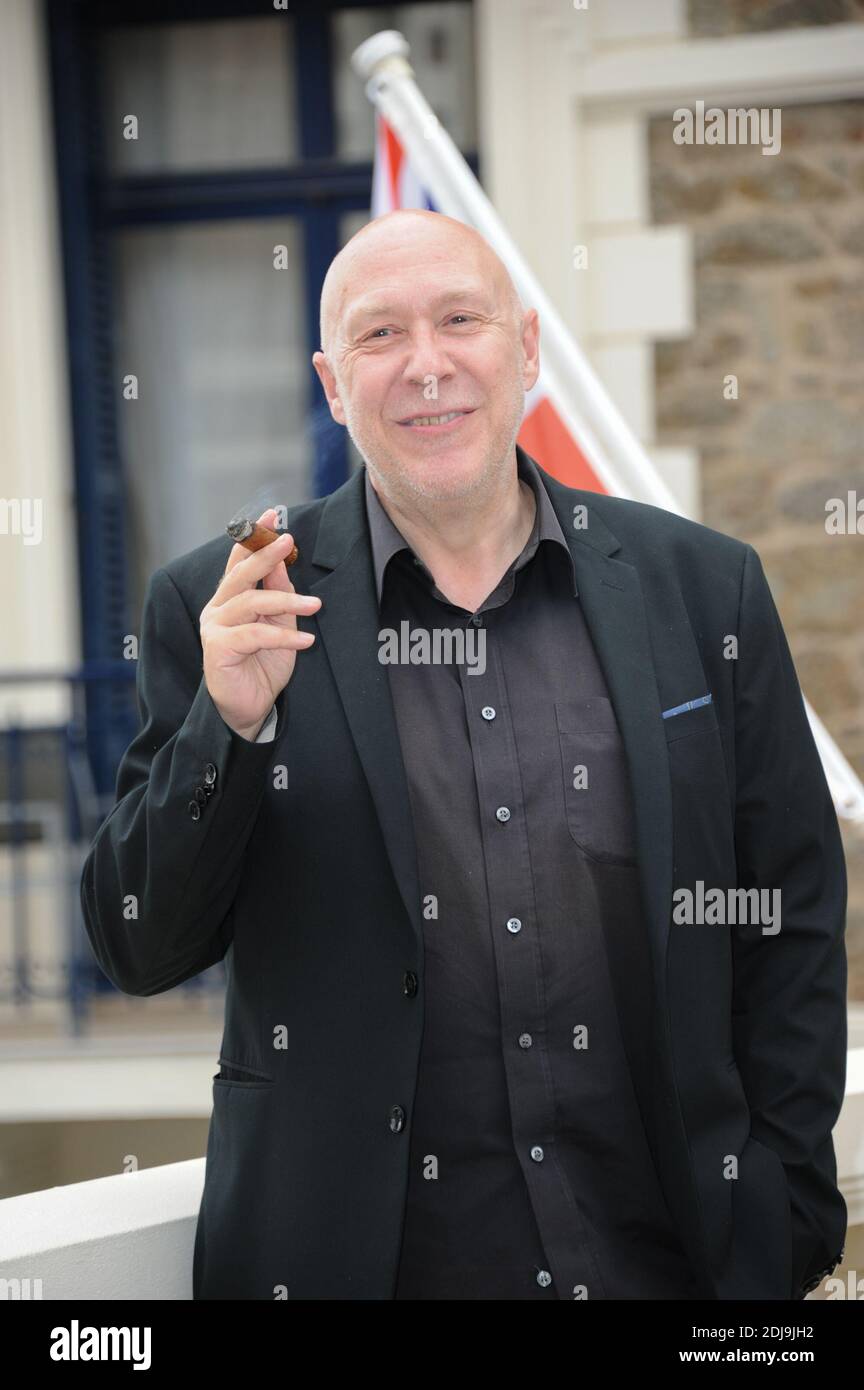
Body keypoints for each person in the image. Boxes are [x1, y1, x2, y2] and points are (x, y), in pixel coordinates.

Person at [80, 209, 847, 1301]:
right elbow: (137, 946)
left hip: (669, 1268)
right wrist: (230, 726)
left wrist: (787, 1211)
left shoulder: (702, 586)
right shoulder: (230, 603)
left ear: (525, 349)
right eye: (379, 335)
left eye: (460, 319)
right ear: (333, 383)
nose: (426, 365)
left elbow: (791, 911)